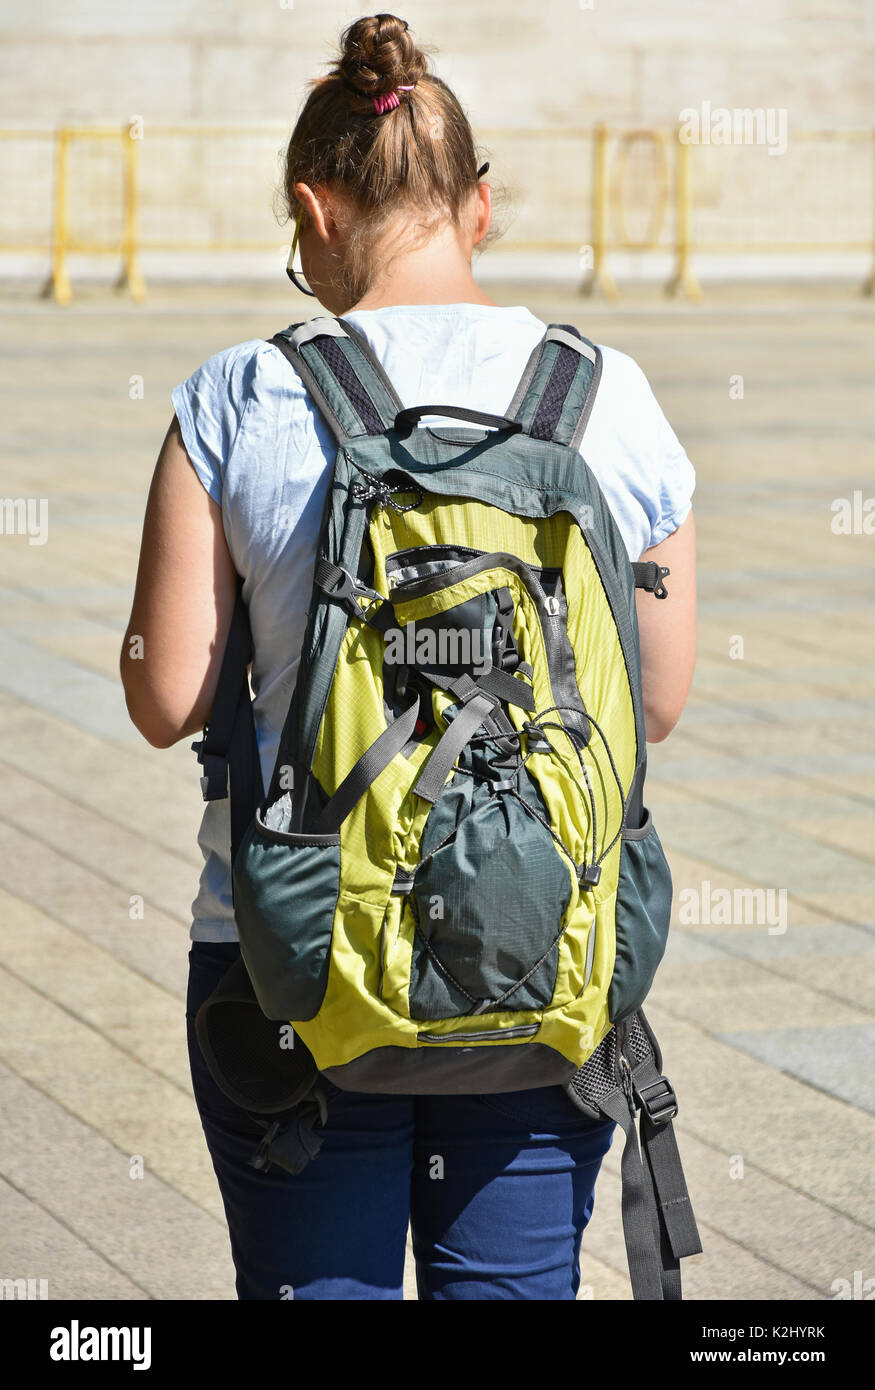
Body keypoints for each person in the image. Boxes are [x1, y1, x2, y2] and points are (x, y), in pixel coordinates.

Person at [120, 12, 697, 1301]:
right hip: (542, 947)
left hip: (299, 958)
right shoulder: (607, 396)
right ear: (479, 205)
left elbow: (169, 699)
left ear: (313, 211)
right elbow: (654, 700)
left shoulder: (238, 396)